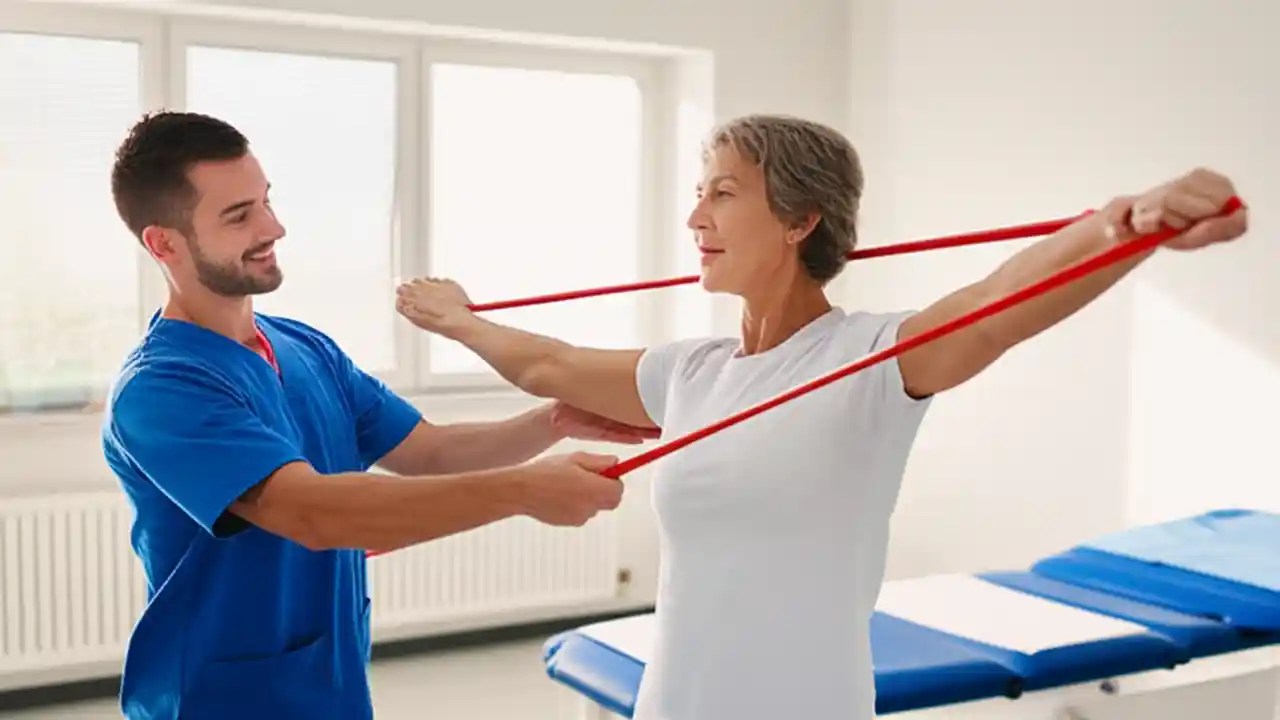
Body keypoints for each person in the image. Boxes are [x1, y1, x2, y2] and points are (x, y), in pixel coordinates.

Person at [394, 114, 1248, 719]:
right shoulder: (691, 370)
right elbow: (548, 366)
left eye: (723, 194)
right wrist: (459, 318)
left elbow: (995, 304)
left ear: (801, 219)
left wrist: (1121, 226)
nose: (695, 217)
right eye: (698, 194)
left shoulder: (873, 360)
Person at [99, 111, 650, 720]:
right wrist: (522, 490)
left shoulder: (303, 347)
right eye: (239, 215)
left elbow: (427, 451)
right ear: (164, 243)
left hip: (326, 684)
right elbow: (312, 512)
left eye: (266, 201)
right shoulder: (162, 387)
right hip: (220, 699)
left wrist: (551, 422)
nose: (274, 227)